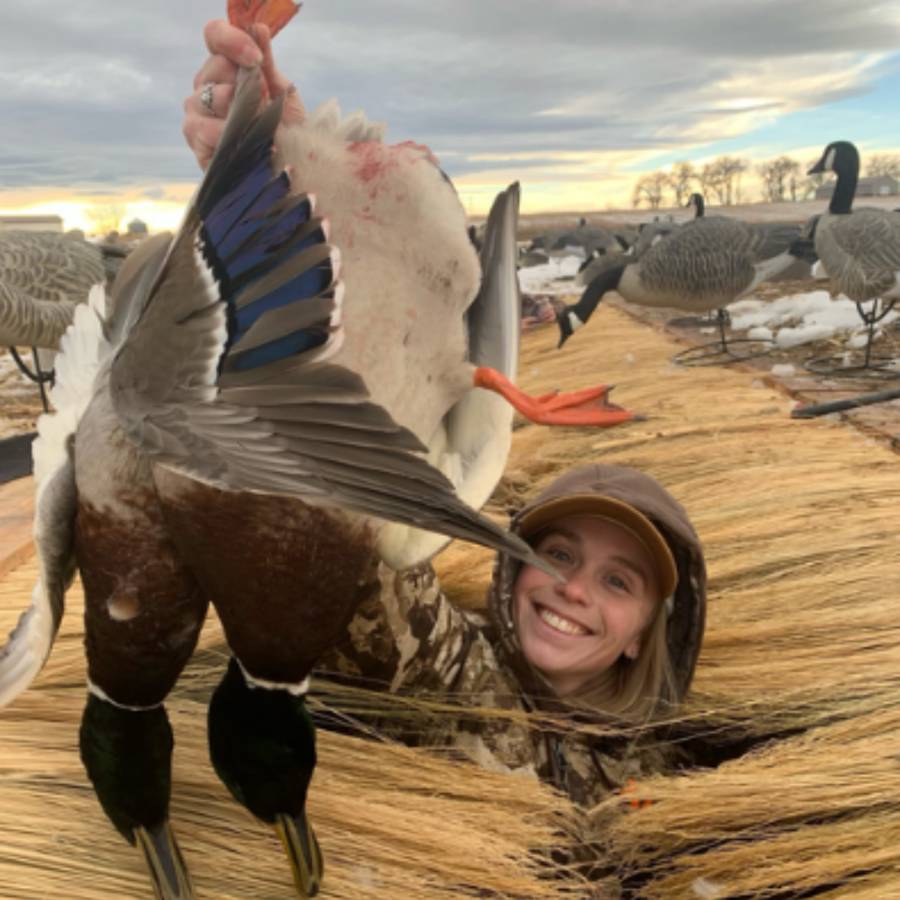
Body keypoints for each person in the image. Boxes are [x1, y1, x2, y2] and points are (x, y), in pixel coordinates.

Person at [182, 20, 707, 809]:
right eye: (557, 552)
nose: (571, 589)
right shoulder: (456, 672)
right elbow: (357, 562)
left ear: (645, 636)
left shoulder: (678, 789)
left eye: (618, 580)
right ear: (510, 564)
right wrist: (279, 182)